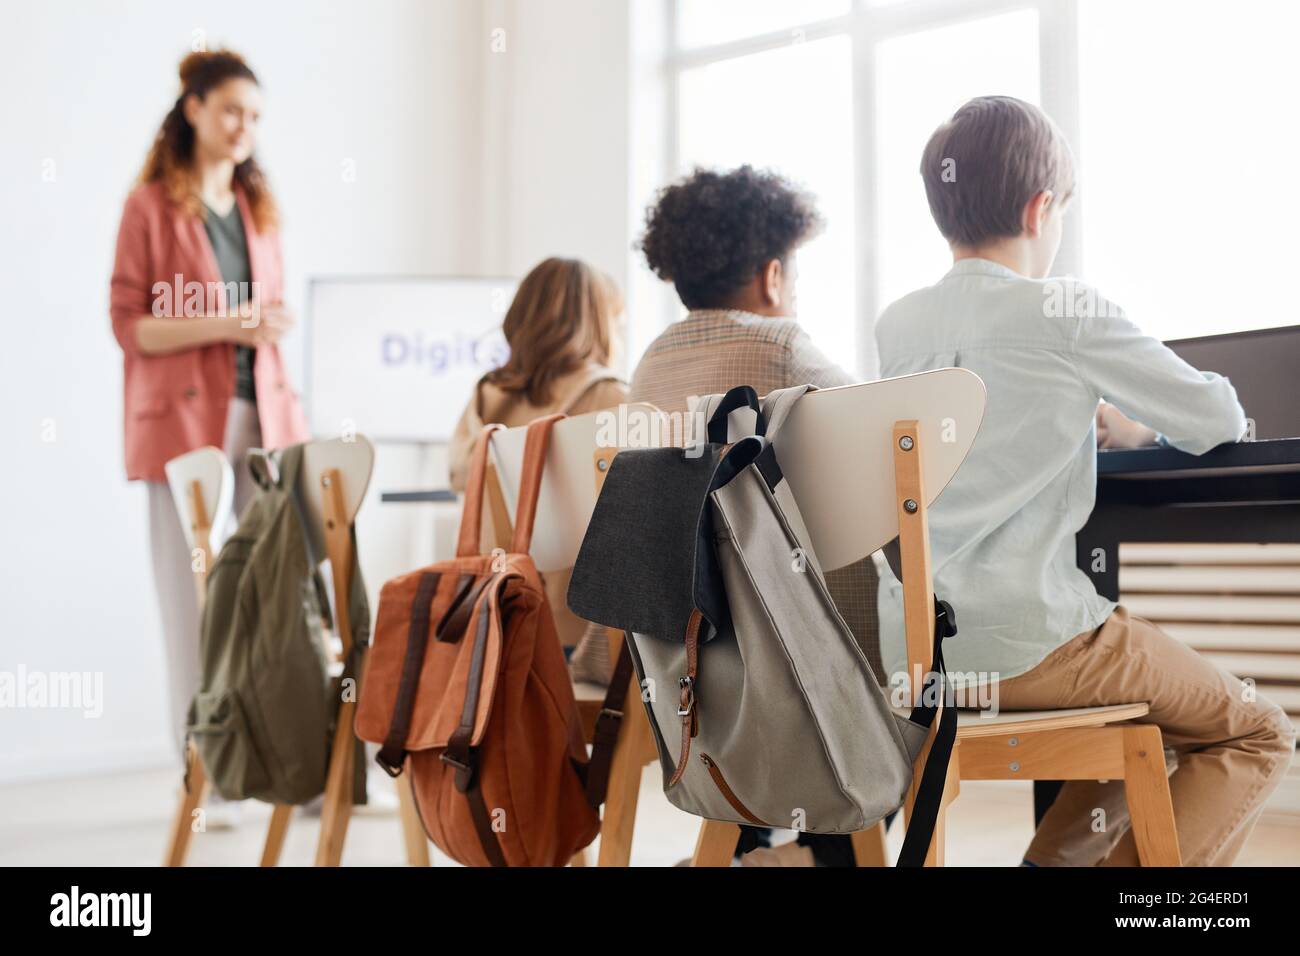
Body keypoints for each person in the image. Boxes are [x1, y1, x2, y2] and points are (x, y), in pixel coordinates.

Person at [875, 95, 1295, 866]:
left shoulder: (897, 324)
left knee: (1145, 711)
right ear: (1041, 210)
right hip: (1031, 644)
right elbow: (1216, 417)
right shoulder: (1064, 310)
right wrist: (1137, 429)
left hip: (913, 650)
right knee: (1257, 728)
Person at [618, 165, 873, 866]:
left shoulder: (648, 366)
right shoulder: (782, 348)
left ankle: (754, 844)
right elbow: (882, 437)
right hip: (780, 642)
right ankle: (819, 856)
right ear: (771, 276)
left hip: (683, 643)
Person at [110, 50, 309, 826]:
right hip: (184, 426)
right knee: (190, 602)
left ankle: (300, 763)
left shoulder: (259, 207)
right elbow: (130, 325)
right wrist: (229, 322)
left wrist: (269, 324)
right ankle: (204, 775)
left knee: (278, 593)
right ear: (192, 108)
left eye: (255, 116)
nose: (244, 128)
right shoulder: (151, 207)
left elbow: (269, 313)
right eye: (231, 110)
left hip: (266, 416)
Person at [448, 257, 629, 651]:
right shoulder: (612, 397)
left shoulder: (488, 393)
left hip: (493, 617)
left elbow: (458, 474)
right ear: (599, 323)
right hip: (578, 631)